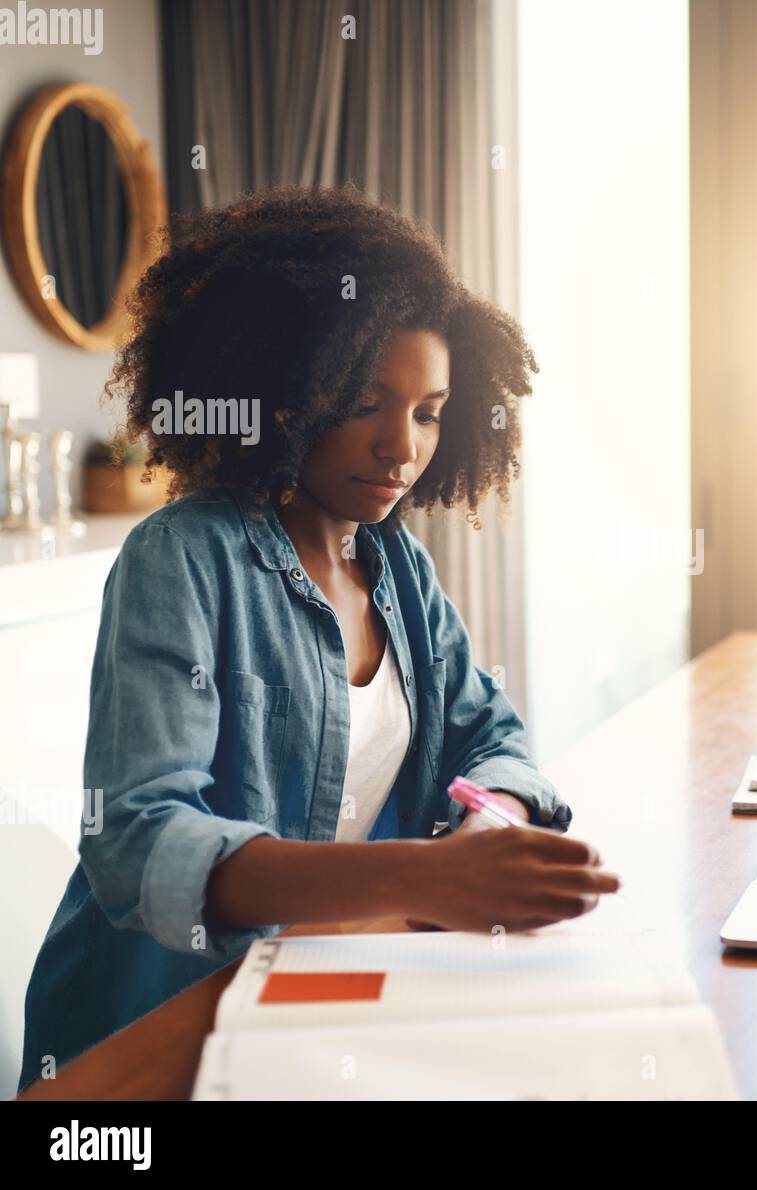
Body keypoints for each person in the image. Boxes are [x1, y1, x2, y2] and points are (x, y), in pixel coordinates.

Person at [18, 185, 618, 1092]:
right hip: (145, 1035)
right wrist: (419, 881)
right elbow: (139, 841)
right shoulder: (181, 559)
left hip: (305, 1005)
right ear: (289, 392)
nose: (401, 447)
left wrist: (487, 831)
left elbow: (490, 736)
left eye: (428, 411)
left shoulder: (396, 567)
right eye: (367, 401)